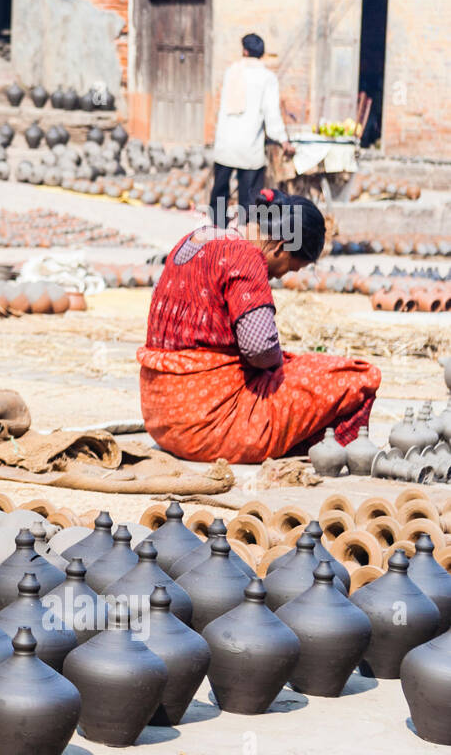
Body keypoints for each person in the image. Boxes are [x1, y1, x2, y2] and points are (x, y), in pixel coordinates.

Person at [136, 189, 380, 464]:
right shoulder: (246, 257)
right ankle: (317, 455)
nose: (279, 275)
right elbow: (259, 349)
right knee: (358, 377)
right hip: (208, 424)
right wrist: (278, 362)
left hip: (160, 418)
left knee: (298, 366)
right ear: (280, 246)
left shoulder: (194, 239)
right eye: (289, 267)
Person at [209, 33, 295, 230]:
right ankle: (245, 232)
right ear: (261, 53)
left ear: (244, 51)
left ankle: (217, 230)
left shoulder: (231, 71)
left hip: (225, 143)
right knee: (249, 196)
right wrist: (283, 140)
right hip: (249, 146)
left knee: (220, 190)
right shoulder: (267, 77)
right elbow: (271, 114)